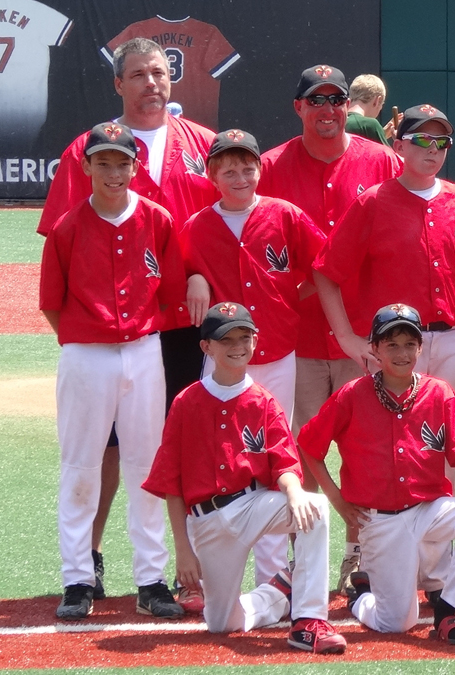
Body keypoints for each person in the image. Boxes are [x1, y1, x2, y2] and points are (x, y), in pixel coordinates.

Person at [37, 38, 219, 591]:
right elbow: (64, 246)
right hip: (112, 329)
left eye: (160, 72)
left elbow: (221, 222)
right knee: (107, 450)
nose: (151, 83)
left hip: (184, 319)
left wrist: (197, 272)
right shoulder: (84, 150)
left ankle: (179, 564)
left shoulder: (204, 144)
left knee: (177, 443)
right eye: (138, 74)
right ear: (119, 84)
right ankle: (87, 558)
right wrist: (78, 336)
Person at [257, 63, 401, 596]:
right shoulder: (269, 166)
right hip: (294, 335)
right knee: (300, 446)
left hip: (365, 333)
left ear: (349, 105)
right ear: (298, 107)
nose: (327, 110)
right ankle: (307, 548)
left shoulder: (381, 160)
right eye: (315, 100)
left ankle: (363, 551)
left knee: (366, 444)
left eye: (335, 100)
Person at [39, 122, 186, 621]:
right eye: (103, 162)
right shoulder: (67, 226)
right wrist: (87, 339)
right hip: (86, 354)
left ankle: (150, 579)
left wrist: (135, 338)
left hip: (144, 352)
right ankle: (77, 578)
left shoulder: (158, 220)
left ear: (135, 167)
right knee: (81, 468)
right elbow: (51, 304)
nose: (114, 172)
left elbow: (169, 295)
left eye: (123, 162)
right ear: (86, 167)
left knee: (146, 467)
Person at [141, 302, 345, 654]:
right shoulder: (186, 402)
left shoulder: (264, 401)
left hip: (254, 503)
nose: (237, 346)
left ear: (255, 341)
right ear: (206, 347)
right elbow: (170, 482)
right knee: (223, 623)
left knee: (314, 508)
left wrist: (294, 491)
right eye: (226, 339)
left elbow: (284, 461)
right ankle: (279, 590)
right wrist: (183, 549)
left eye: (244, 337)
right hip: (207, 521)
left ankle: (308, 621)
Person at [178, 128, 327, 602]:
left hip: (277, 352)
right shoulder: (197, 226)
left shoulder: (284, 215)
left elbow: (321, 265)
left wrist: (287, 299)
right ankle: (200, 571)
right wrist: (196, 276)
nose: (239, 176)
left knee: (270, 457)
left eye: (247, 167)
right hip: (222, 362)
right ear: (211, 174)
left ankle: (274, 573)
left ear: (260, 169)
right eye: (228, 169)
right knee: (211, 457)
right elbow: (176, 272)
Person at [298, 304, 455, 645]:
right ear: (374, 349)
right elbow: (309, 446)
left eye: (409, 344)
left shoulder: (438, 391)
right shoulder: (352, 394)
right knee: (396, 623)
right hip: (381, 520)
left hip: (430, 509)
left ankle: (446, 610)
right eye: (391, 345)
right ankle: (362, 596)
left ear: (420, 348)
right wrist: (336, 499)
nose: (402, 353)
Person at [315, 104, 455, 403]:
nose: (432, 149)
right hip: (393, 340)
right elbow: (325, 271)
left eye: (442, 142)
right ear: (398, 146)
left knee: (449, 433)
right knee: (392, 436)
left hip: (451, 339)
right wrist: (345, 338)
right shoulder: (372, 202)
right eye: (422, 140)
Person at [345, 74, 390, 145]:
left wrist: (381, 134)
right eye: (382, 104)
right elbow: (388, 155)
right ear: (377, 101)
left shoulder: (336, 122)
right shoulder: (370, 125)